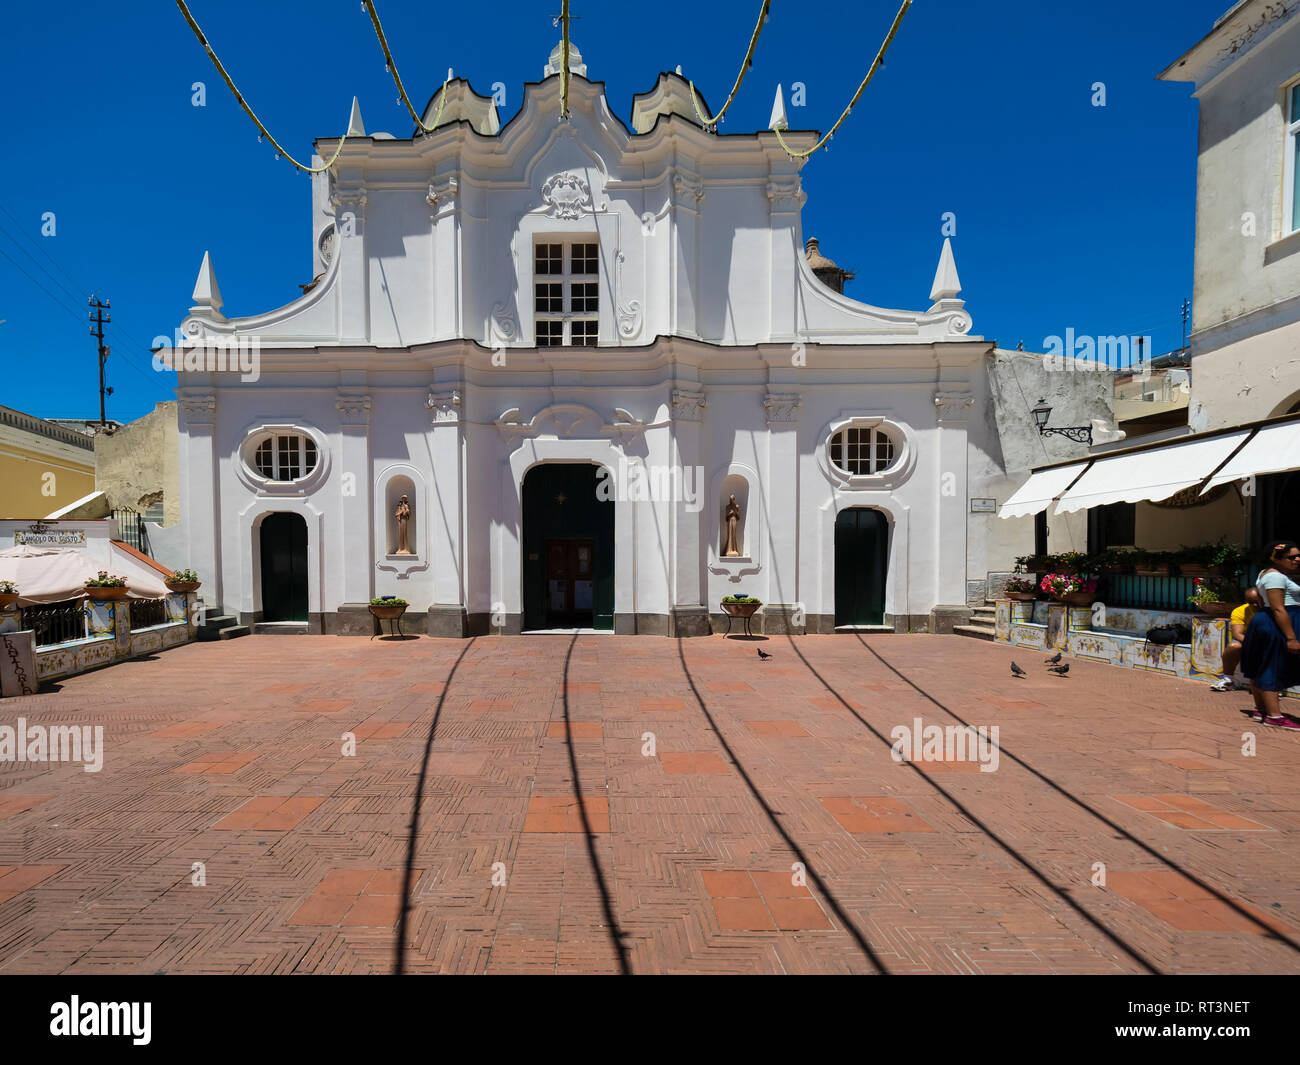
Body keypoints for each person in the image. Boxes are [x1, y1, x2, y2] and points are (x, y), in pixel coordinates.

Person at [1239, 541, 1300, 728]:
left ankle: (1262, 710)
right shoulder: (1275, 577)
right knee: (1272, 666)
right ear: (1276, 559)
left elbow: (1262, 601)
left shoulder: (1266, 574)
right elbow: (1278, 608)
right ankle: (1275, 717)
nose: (1297, 559)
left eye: (1299, 556)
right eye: (1292, 557)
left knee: (1261, 665)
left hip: (1269, 621)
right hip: (1278, 623)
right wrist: (1291, 638)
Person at [1210, 586, 1261, 691]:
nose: (1255, 605)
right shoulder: (1239, 611)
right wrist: (1255, 643)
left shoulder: (1271, 610)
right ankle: (1228, 680)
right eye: (1251, 602)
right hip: (1249, 640)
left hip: (1268, 639)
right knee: (1233, 646)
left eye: (1257, 601)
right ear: (1246, 602)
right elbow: (1238, 634)